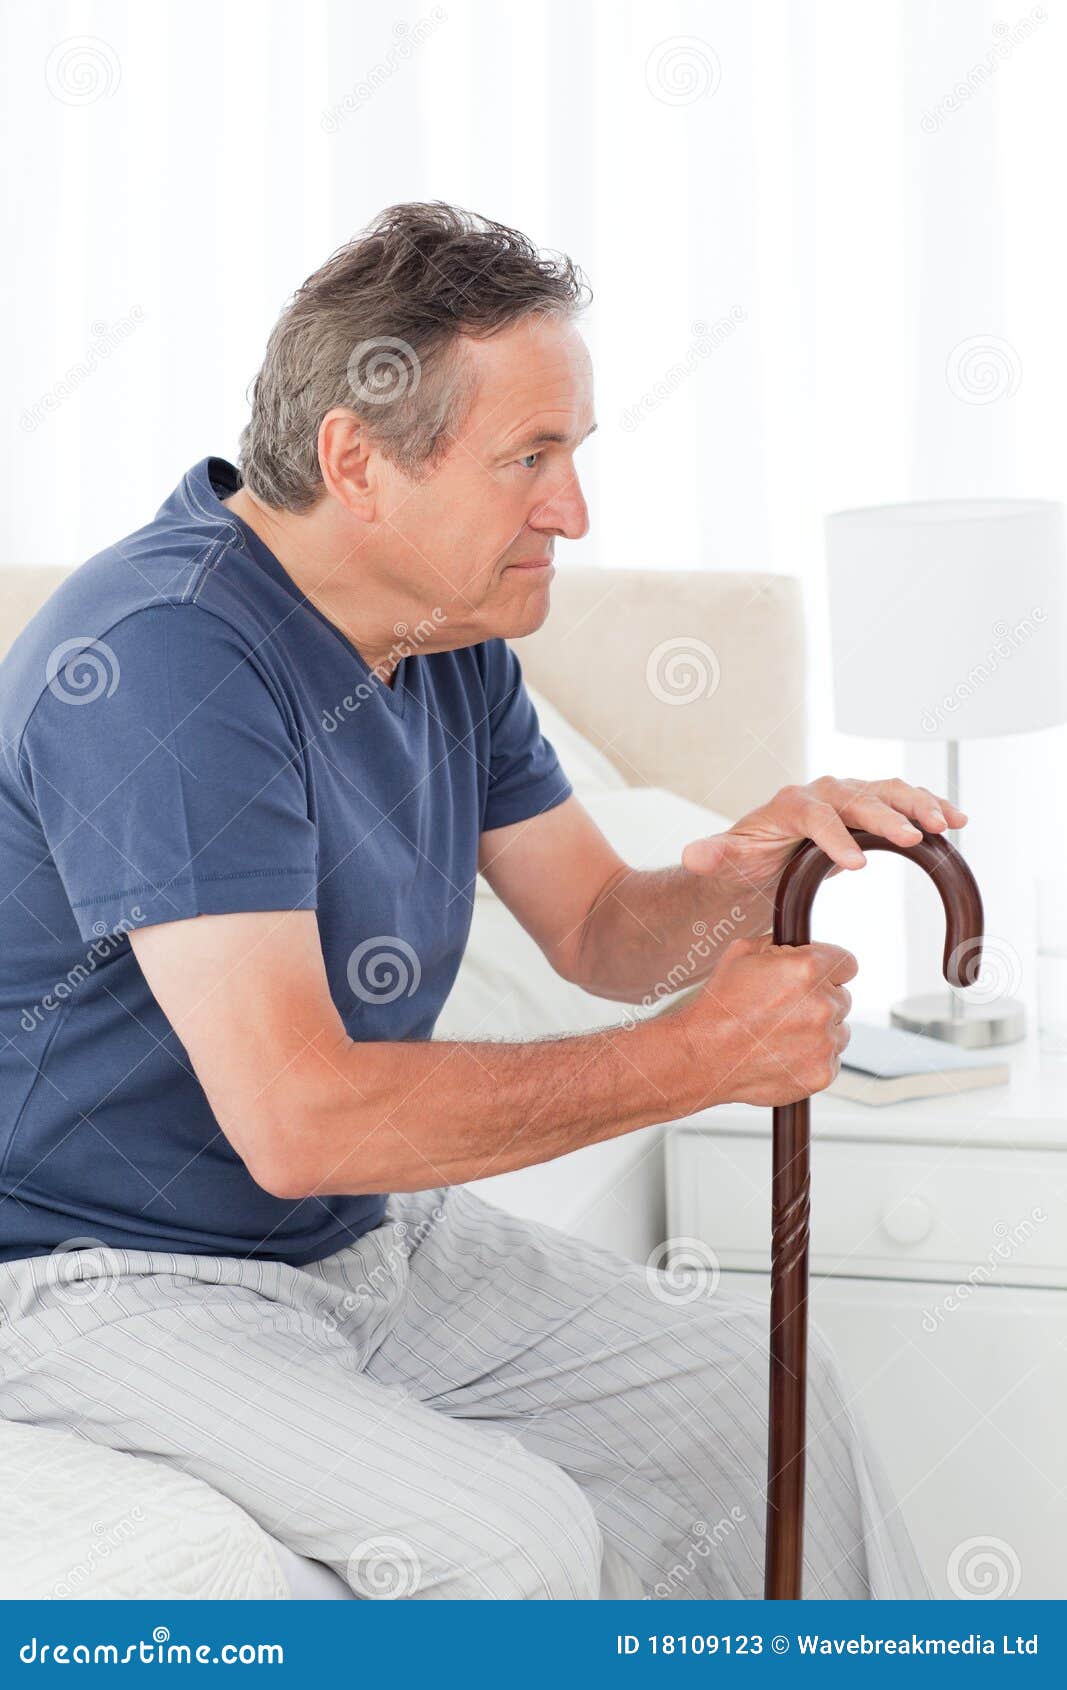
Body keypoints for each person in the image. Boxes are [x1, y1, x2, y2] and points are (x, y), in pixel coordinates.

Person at [0, 202, 956, 1599]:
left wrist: (741, 882)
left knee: (754, 1410)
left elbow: (599, 933)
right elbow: (301, 1115)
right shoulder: (167, 661)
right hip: (100, 1275)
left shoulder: (444, 633)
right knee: (507, 1541)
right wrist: (698, 1059)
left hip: (366, 1232)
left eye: (570, 455)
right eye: (531, 459)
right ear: (358, 460)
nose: (572, 509)